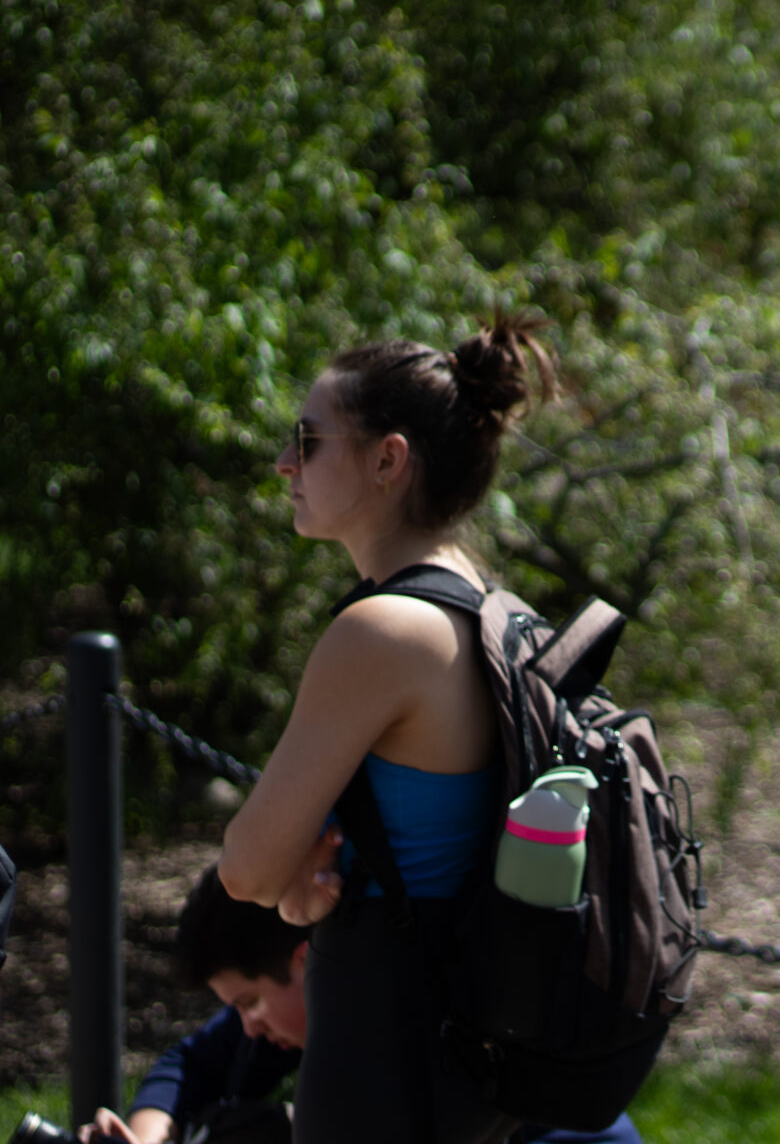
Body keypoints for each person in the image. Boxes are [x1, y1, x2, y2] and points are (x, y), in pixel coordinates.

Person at [216, 314, 557, 1144]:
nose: (284, 462)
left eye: (308, 438)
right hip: (467, 1054)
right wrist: (301, 892)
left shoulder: (383, 632)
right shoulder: (490, 610)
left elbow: (247, 868)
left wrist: (291, 885)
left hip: (381, 1053)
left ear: (387, 459)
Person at [75, 868, 640, 1144]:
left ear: (302, 960)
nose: (248, 1025)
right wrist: (148, 1137)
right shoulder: (314, 1005)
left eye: (249, 1003)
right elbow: (191, 1065)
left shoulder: (399, 1025)